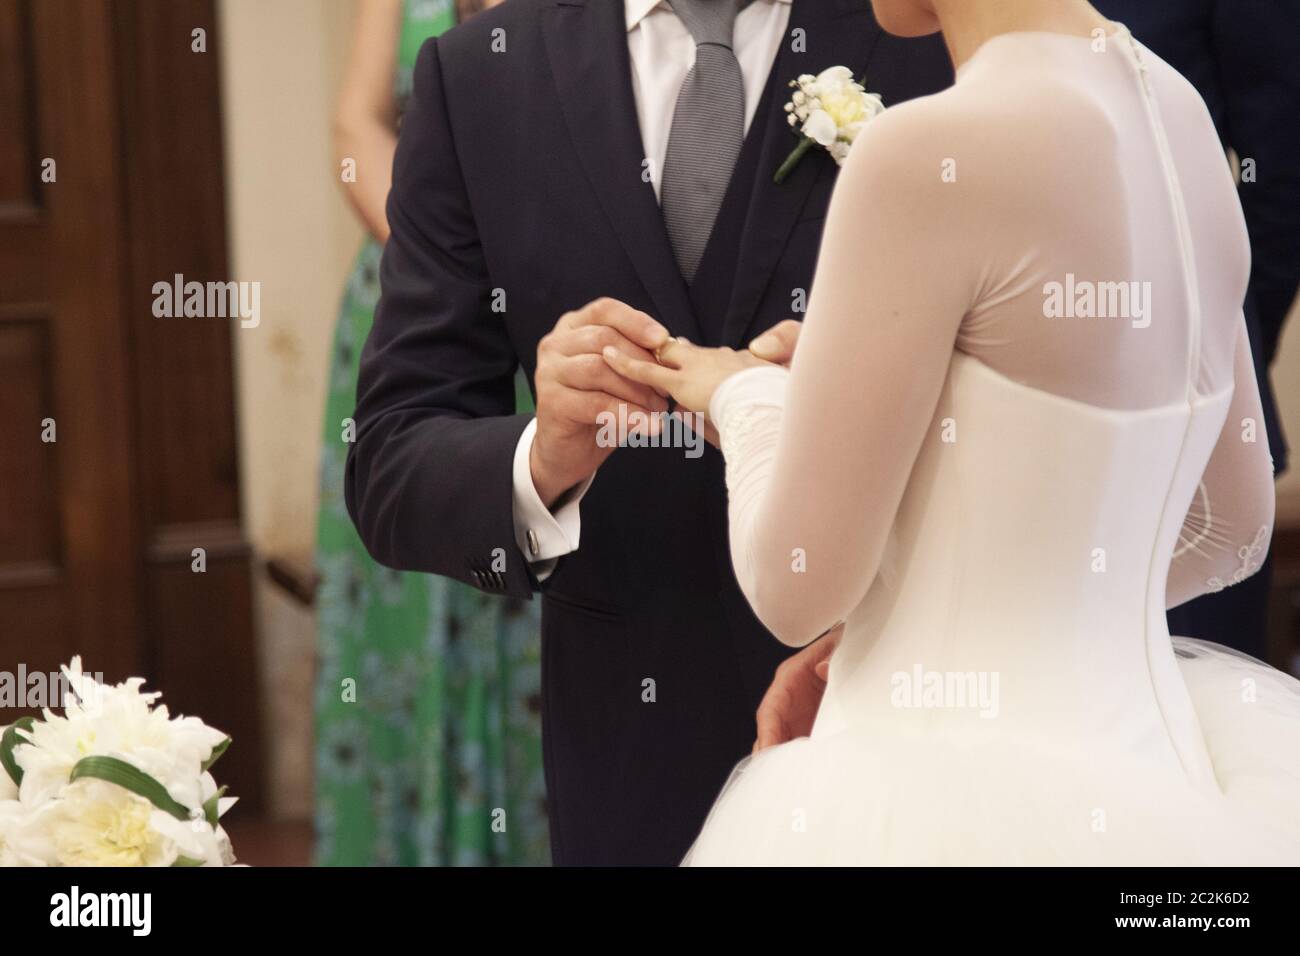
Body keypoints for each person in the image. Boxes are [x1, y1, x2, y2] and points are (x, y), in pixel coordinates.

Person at [606, 0, 1300, 863]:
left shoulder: (928, 149)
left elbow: (797, 590)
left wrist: (747, 399)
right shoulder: (1179, 113)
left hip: (935, 797)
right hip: (1166, 798)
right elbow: (1230, 531)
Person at [345, 0, 952, 864]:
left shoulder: (932, 30)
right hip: (627, 756)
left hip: (892, 717)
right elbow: (392, 460)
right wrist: (544, 454)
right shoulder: (481, 74)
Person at [315, 0, 549, 867]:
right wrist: (441, 246)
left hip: (559, 302)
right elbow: (356, 122)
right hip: (418, 306)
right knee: (416, 568)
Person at [1091, 0, 1300, 660]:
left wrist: (1212, 354)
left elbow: (1281, 172)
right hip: (979, 451)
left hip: (1182, 442)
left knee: (1187, 706)